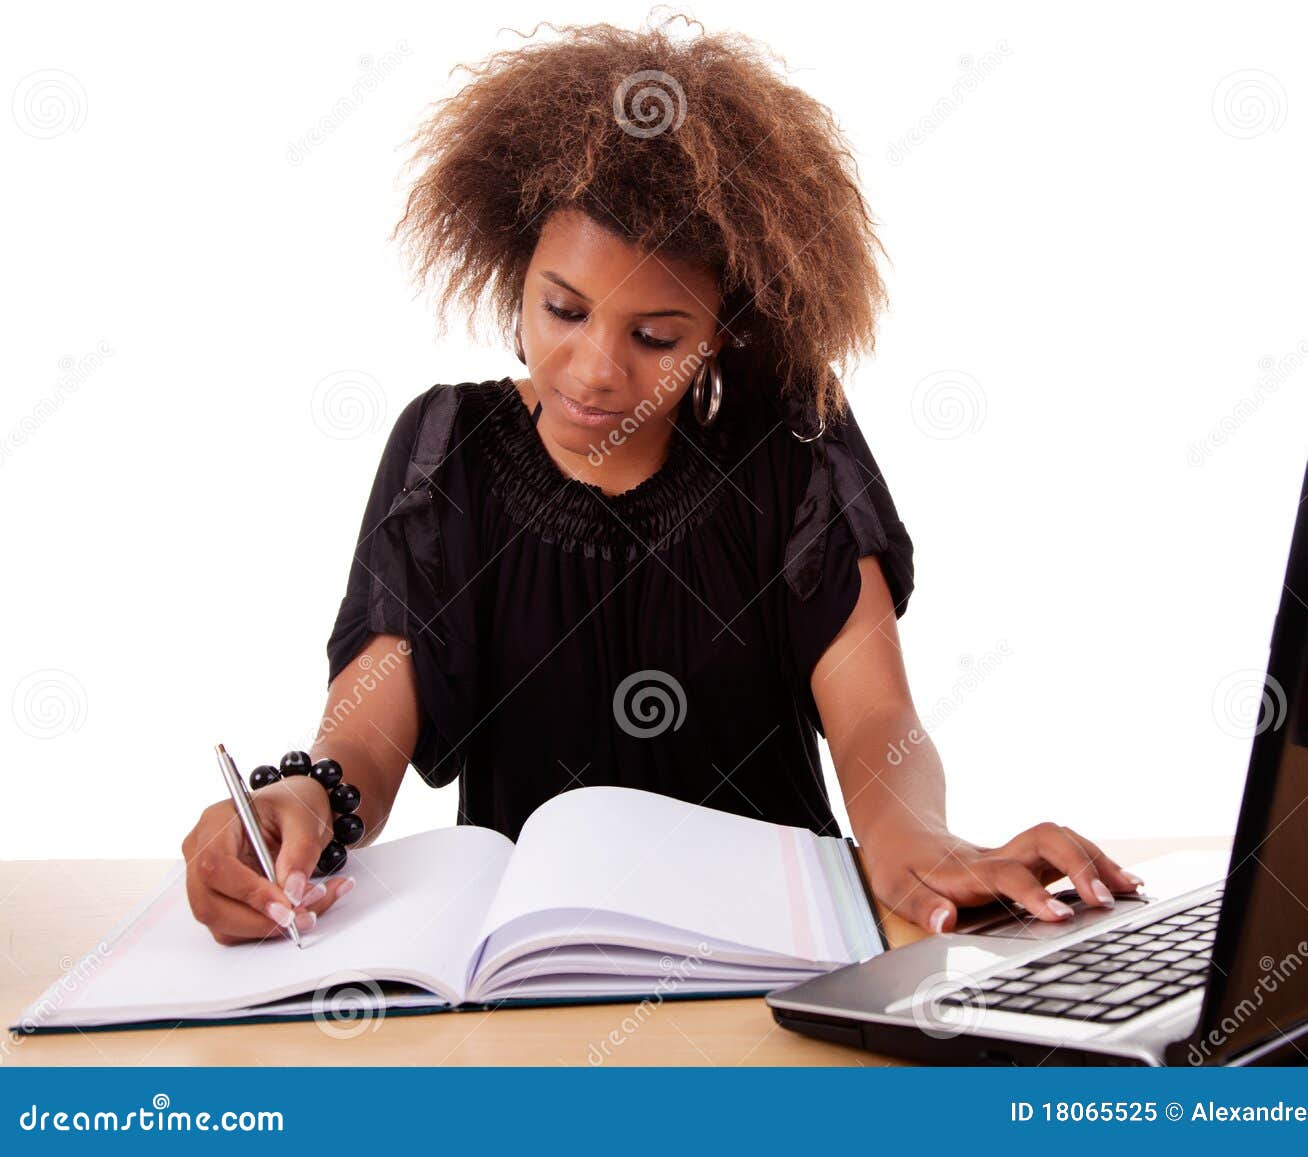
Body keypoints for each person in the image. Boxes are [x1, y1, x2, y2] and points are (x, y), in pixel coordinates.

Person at [182, 14, 1141, 946]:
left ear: (723, 326)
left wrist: (911, 841)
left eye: (655, 337)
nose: (597, 370)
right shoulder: (449, 449)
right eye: (563, 309)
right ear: (515, 278)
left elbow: (876, 717)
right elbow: (372, 734)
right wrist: (303, 800)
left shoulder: (791, 442)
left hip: (779, 963)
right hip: (531, 975)